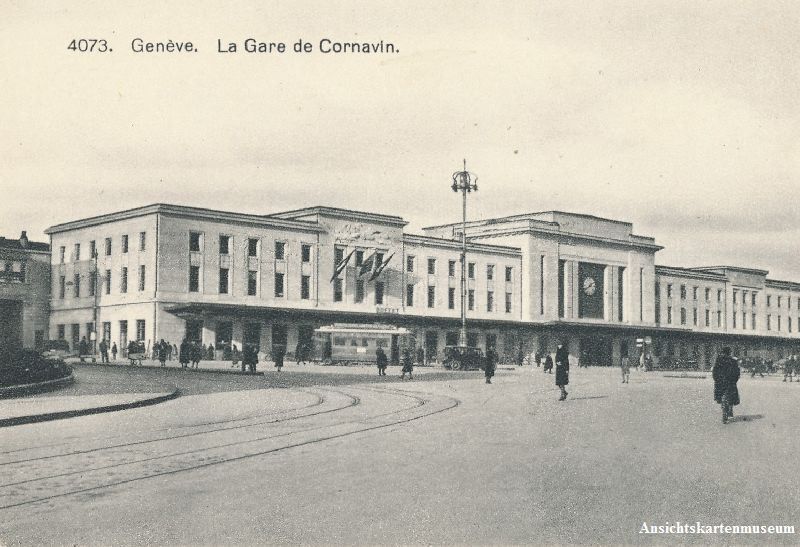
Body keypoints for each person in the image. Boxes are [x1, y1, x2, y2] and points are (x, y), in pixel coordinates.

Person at [713, 347, 740, 424]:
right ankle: (728, 411)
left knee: (723, 398)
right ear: (729, 353)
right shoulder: (733, 361)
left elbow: (715, 372)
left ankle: (726, 414)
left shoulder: (719, 361)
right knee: (729, 397)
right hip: (729, 383)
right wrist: (734, 381)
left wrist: (717, 380)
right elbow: (737, 373)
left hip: (721, 383)